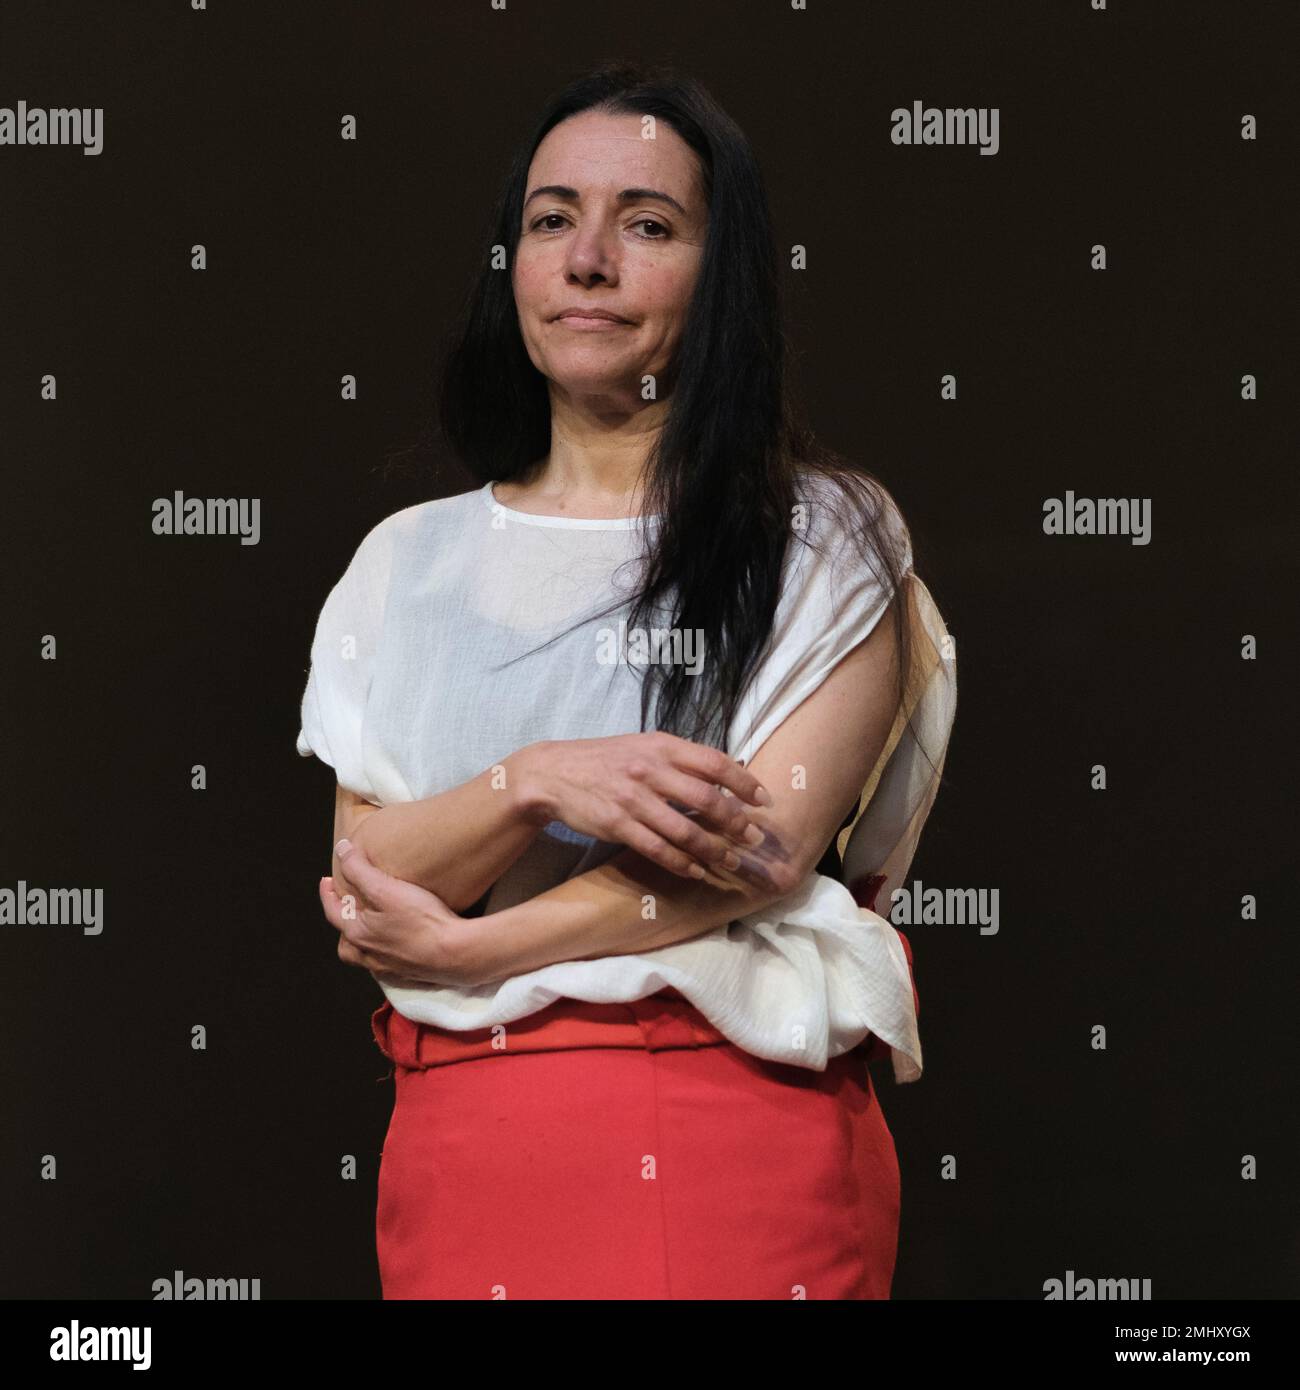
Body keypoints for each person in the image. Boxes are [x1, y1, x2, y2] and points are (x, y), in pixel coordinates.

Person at [297, 61, 957, 1300]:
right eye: (551, 220)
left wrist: (471, 942)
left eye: (646, 224)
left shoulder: (823, 535)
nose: (586, 259)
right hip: (461, 1134)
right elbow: (370, 882)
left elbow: (751, 854)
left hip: (719, 1118)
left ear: (723, 277)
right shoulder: (408, 559)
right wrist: (535, 780)